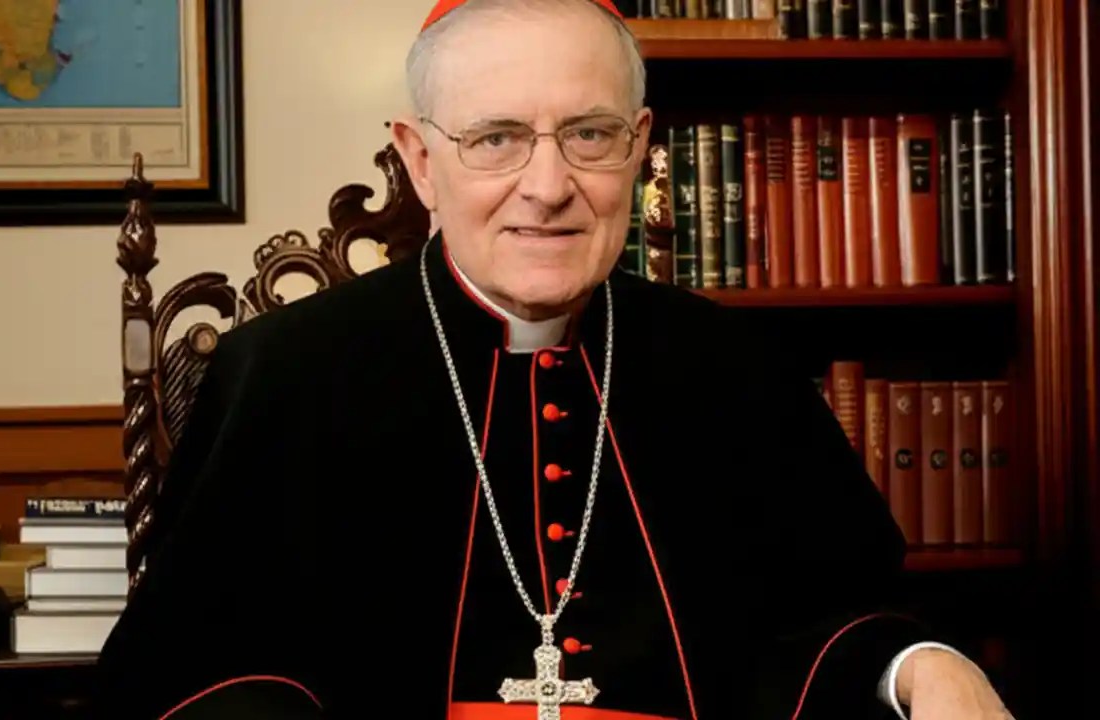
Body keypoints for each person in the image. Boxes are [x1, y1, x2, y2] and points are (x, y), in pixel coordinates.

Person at [94, 1, 1016, 718]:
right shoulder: (284, 373)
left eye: (590, 134)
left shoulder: (732, 369)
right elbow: (194, 670)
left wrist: (920, 668)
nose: (548, 187)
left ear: (643, 148)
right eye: (495, 138)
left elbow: (821, 623)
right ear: (419, 161)